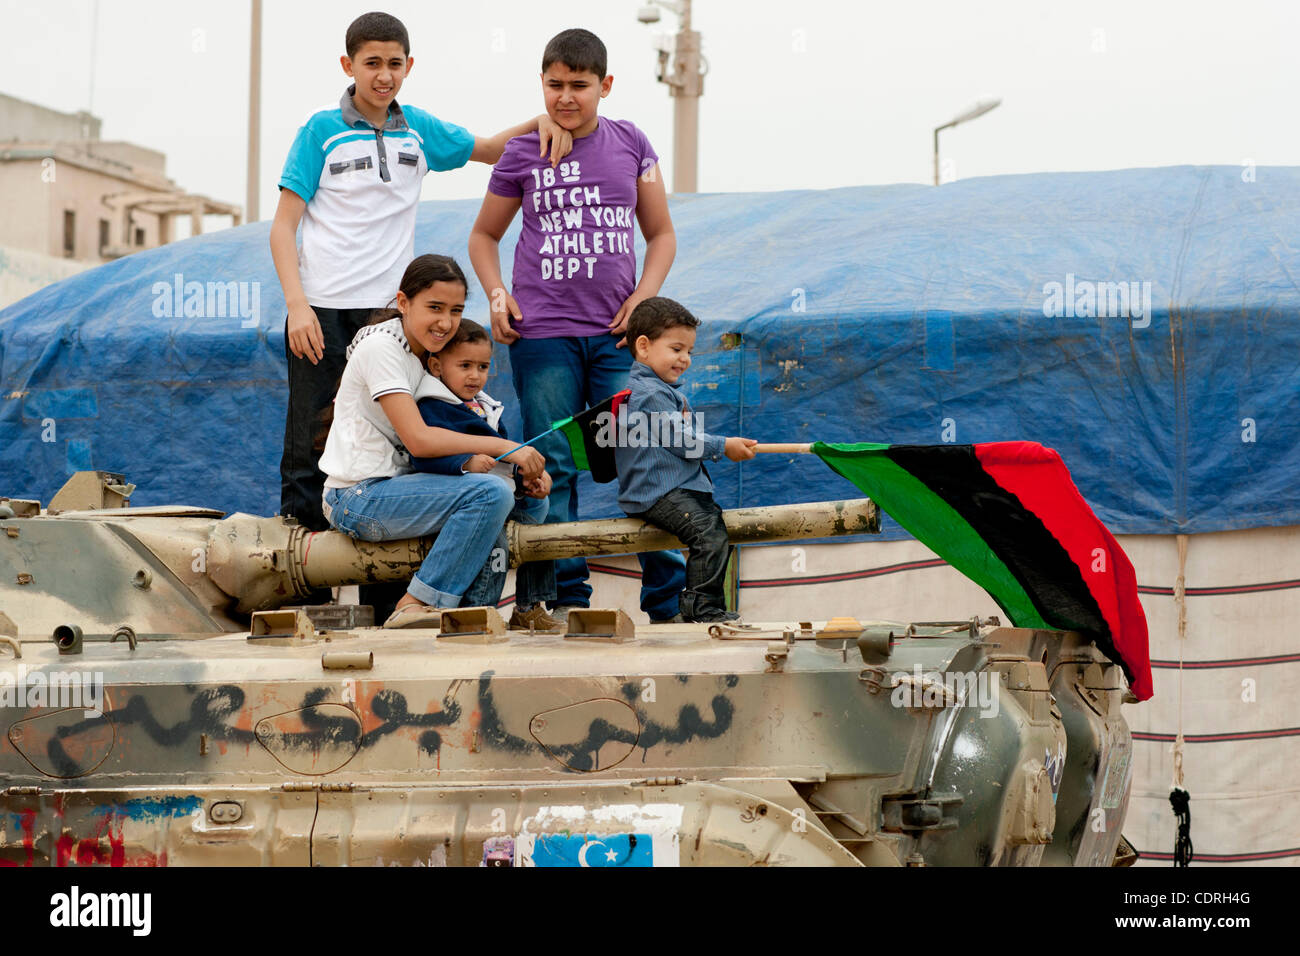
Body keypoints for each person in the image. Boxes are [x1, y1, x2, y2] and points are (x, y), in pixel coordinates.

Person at [271, 11, 573, 542]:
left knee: (401, 435)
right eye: (371, 63)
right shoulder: (321, 131)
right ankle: (305, 565)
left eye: (394, 63)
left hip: (392, 314)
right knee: (312, 434)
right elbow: (283, 226)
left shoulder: (418, 130)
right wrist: (297, 305)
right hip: (322, 308)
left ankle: (388, 575)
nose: (383, 75)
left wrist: (540, 121)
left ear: (409, 66)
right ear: (348, 65)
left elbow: (490, 149)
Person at [468, 27, 687, 622]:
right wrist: (496, 294)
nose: (566, 96)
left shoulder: (632, 144)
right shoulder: (522, 152)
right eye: (555, 84)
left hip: (618, 339)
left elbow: (661, 234)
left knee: (646, 454)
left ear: (605, 85)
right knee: (552, 464)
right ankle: (560, 600)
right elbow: (484, 235)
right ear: (541, 83)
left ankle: (671, 603)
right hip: (542, 337)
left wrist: (643, 300)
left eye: (580, 85)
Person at [319, 254, 546, 629]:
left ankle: (516, 607)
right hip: (358, 496)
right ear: (404, 302)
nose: (446, 322)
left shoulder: (427, 353)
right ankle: (417, 602)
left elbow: (461, 428)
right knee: (490, 494)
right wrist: (506, 449)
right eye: (435, 307)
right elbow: (420, 441)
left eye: (456, 311)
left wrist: (520, 473)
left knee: (529, 500)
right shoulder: (382, 348)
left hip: (403, 487)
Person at [409, 320, 563, 630]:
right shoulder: (432, 406)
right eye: (464, 365)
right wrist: (465, 463)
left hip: (498, 491)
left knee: (540, 508)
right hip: (466, 498)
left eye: (482, 367)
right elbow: (421, 457)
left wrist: (524, 480)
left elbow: (502, 459)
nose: (475, 375)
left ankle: (530, 605)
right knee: (496, 539)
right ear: (437, 366)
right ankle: (477, 611)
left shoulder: (485, 407)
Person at [613, 298, 757, 623]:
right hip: (660, 493)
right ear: (644, 346)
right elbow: (682, 440)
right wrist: (724, 446)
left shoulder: (659, 391)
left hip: (666, 491)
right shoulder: (651, 394)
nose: (685, 359)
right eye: (677, 349)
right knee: (709, 534)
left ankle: (694, 607)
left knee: (713, 527)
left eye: (689, 351)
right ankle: (702, 608)